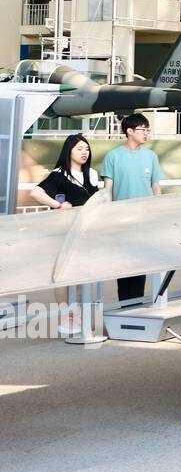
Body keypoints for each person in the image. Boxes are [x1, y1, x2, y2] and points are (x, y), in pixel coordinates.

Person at [30, 134, 101, 335]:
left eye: (86, 148)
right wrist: (59, 205)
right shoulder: (60, 174)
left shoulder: (93, 175)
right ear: (68, 151)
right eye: (79, 148)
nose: (84, 152)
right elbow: (36, 193)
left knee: (80, 275)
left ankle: (75, 315)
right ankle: (65, 317)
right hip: (65, 232)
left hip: (87, 232)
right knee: (63, 276)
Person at [101, 114, 164, 305]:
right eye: (143, 129)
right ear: (129, 131)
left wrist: (160, 212)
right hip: (121, 220)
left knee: (142, 263)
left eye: (147, 129)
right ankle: (126, 304)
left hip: (145, 220)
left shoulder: (151, 156)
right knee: (124, 264)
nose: (147, 133)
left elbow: (156, 187)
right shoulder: (113, 156)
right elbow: (107, 190)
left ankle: (135, 304)